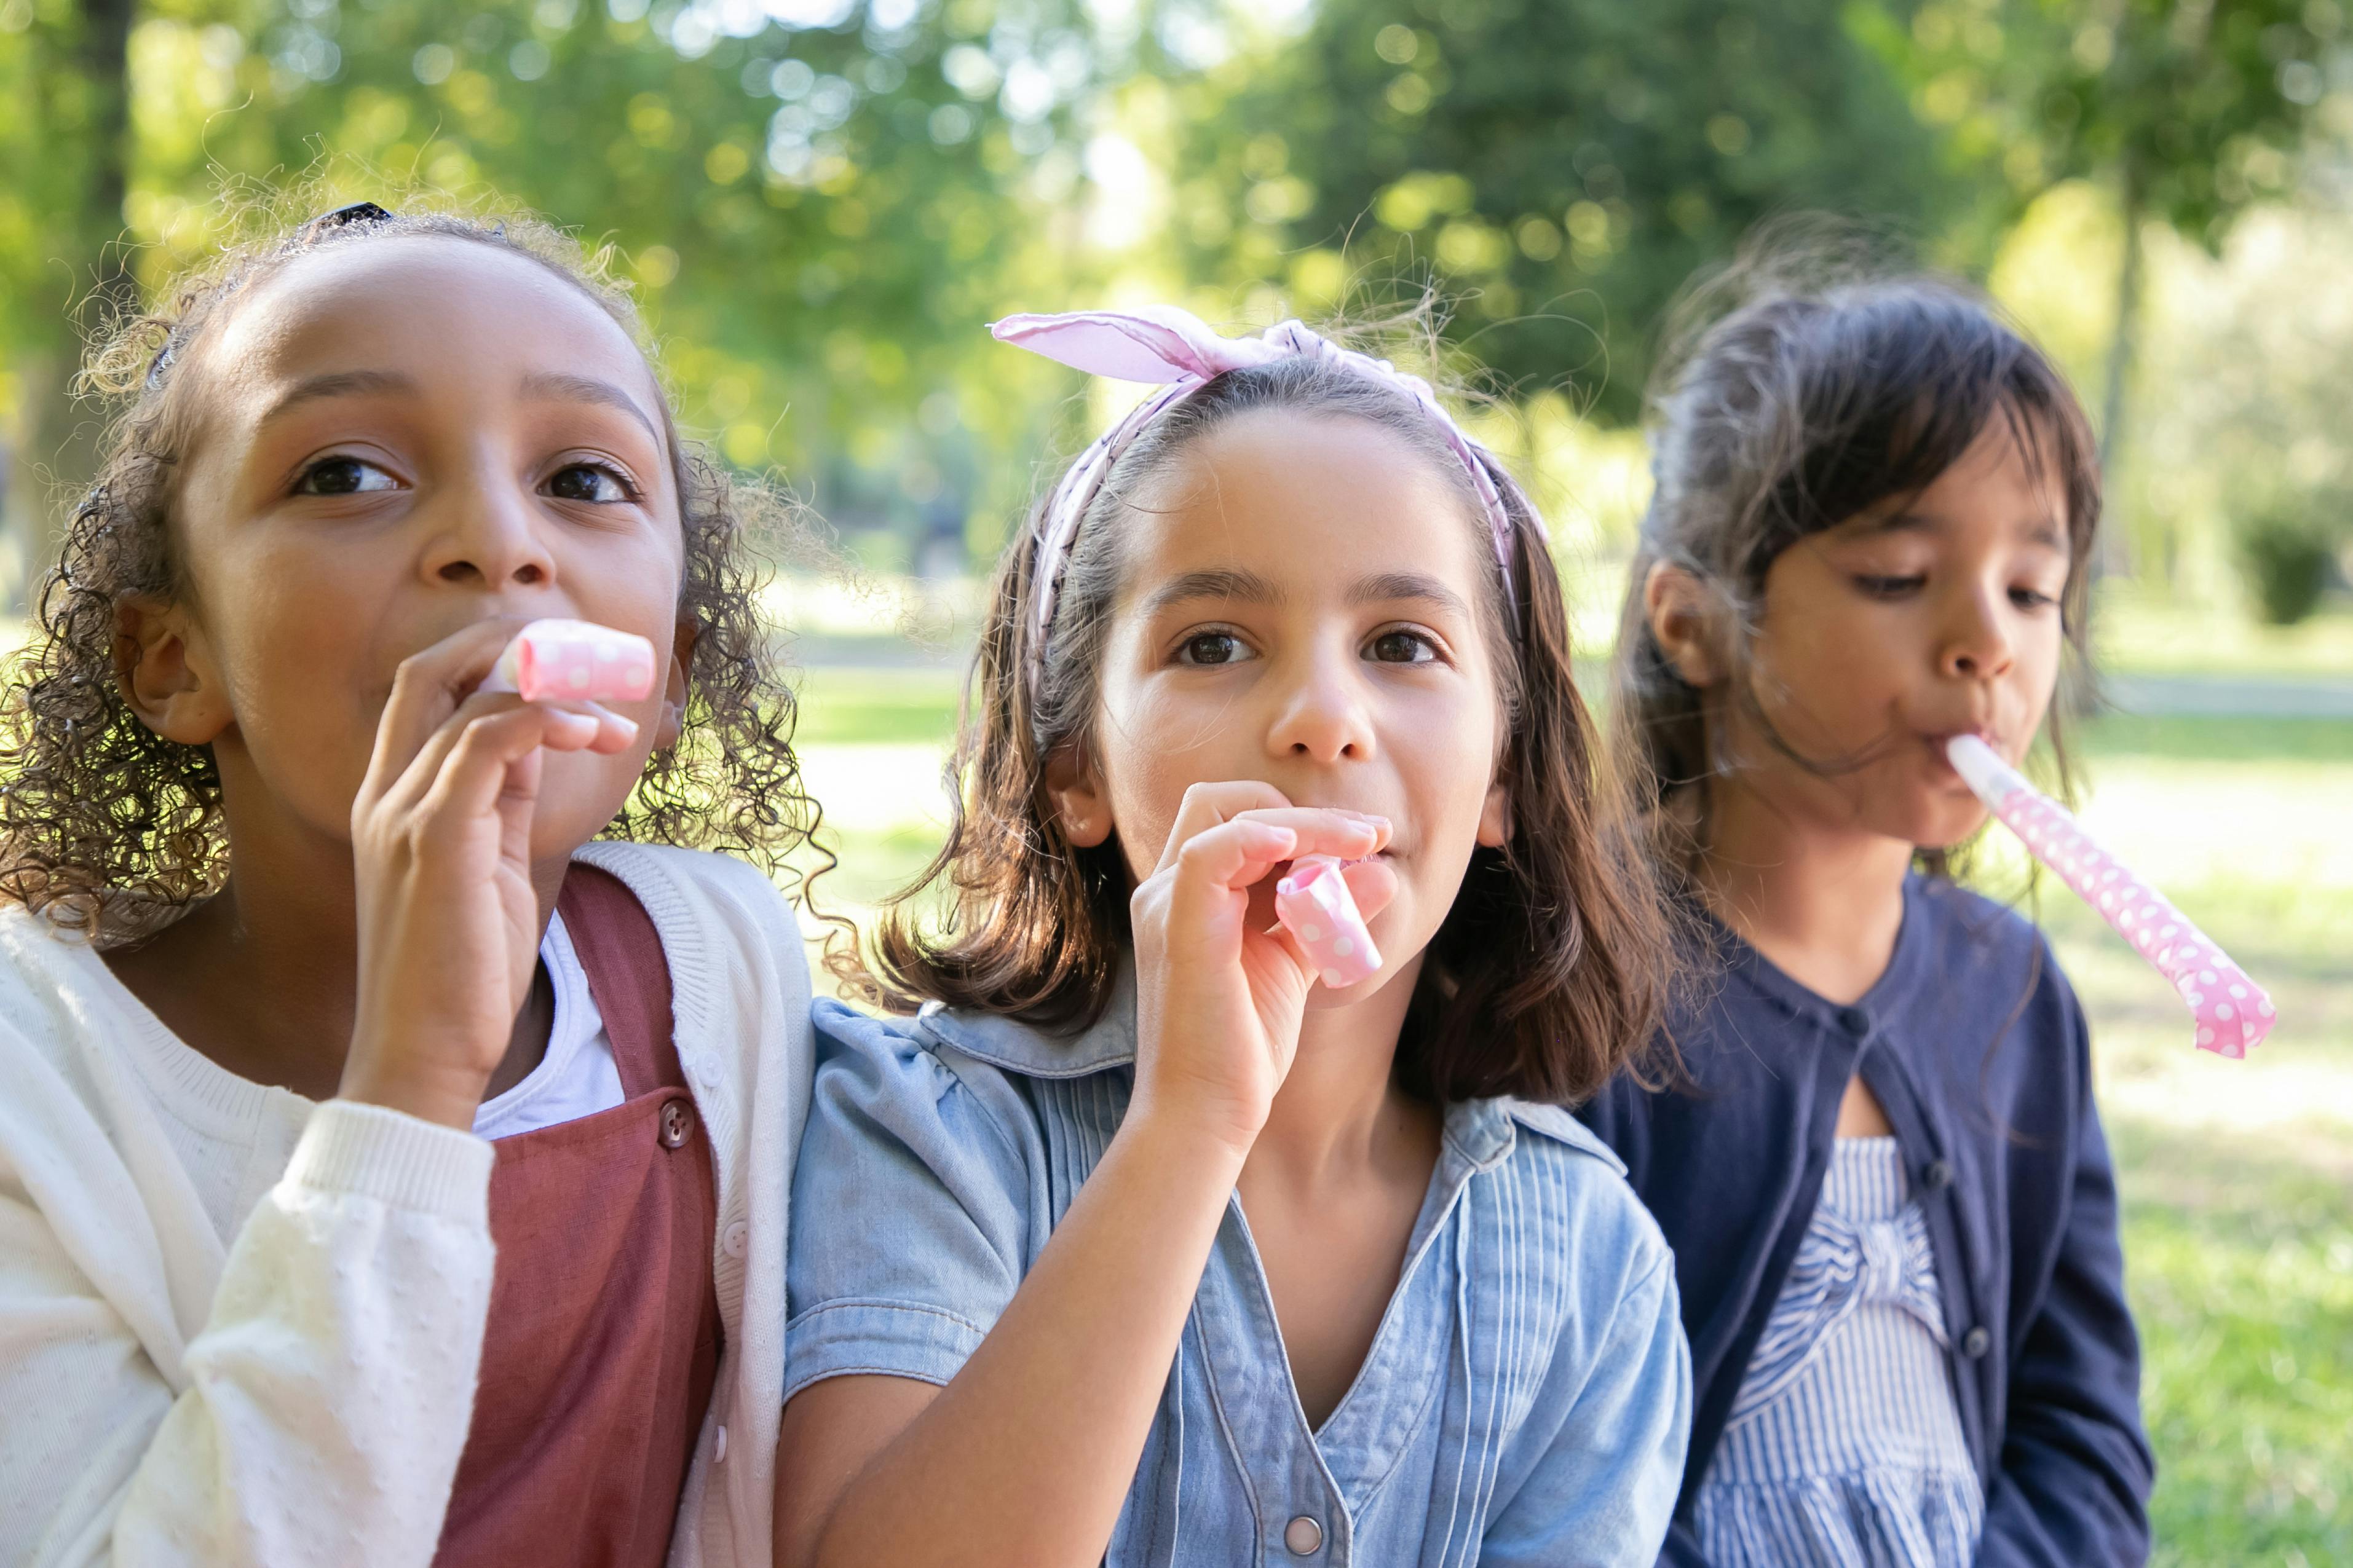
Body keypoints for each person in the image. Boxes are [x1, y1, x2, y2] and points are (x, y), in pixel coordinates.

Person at [775, 304, 1691, 1568]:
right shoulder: (926, 1138)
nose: (1323, 715)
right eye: (1213, 644)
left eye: (1402, 644)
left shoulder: (1592, 1267)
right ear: (1073, 766)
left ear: (1503, 775)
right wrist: (1188, 1126)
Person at [0, 196, 817, 1566]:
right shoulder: (37, 1094)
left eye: (584, 481)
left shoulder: (718, 964)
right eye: (345, 474)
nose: (497, 540)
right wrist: (412, 1077)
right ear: (173, 660)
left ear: (668, 676)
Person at [1580, 240, 2154, 1567]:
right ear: (1694, 623)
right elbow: (1545, 1465)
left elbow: (2083, 1431)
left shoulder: (2017, 996)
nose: (1988, 642)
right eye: (1898, 575)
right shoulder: (1580, 991)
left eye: (2033, 589)